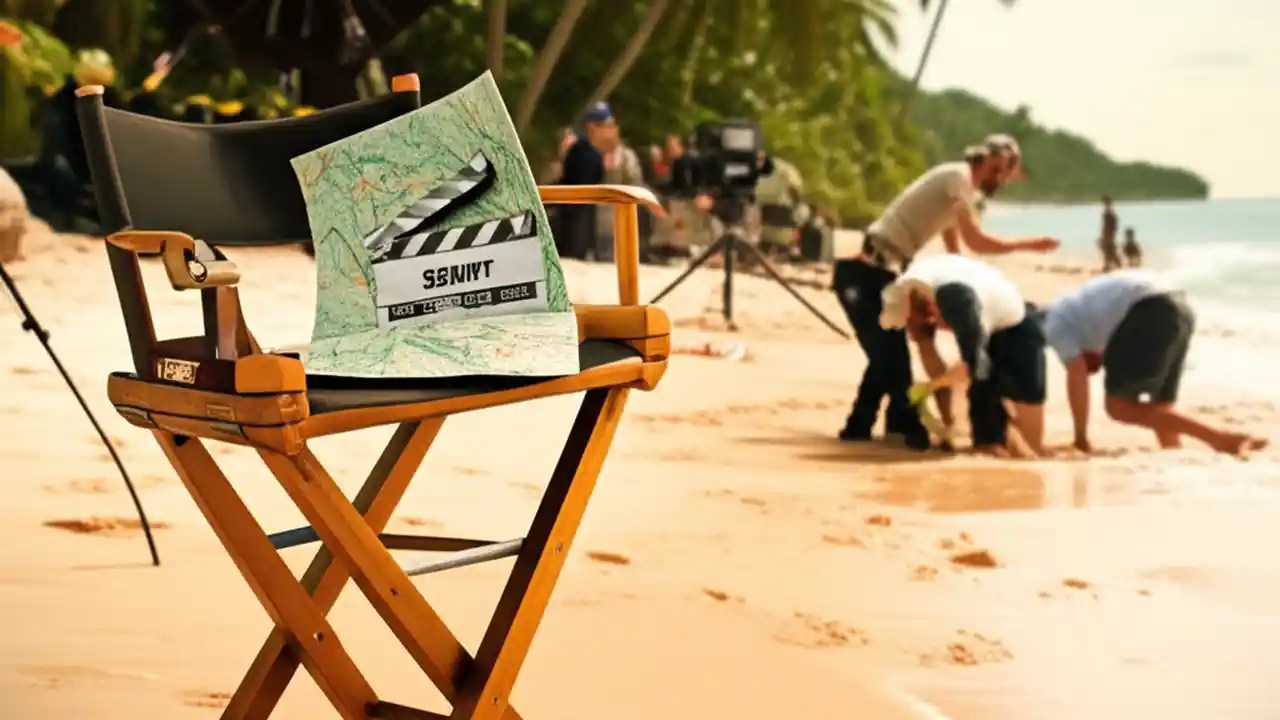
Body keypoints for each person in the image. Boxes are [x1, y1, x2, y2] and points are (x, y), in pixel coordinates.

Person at [831, 134, 1059, 449]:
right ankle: (900, 430)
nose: (1003, 179)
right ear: (992, 160)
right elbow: (976, 240)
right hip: (868, 272)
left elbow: (957, 253)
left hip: (884, 271)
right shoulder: (959, 178)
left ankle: (861, 428)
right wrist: (1030, 245)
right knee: (893, 361)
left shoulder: (956, 193)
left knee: (888, 357)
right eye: (1003, 170)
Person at [1042, 271, 1268, 456]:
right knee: (1160, 405)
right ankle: (1173, 451)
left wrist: (1080, 438)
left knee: (1118, 406)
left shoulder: (1054, 325)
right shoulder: (1075, 310)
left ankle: (1221, 438)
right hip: (1180, 306)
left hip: (1149, 308)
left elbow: (1077, 375)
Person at [880, 254, 1047, 457]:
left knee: (1024, 439)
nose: (910, 329)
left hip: (1016, 324)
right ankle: (996, 442)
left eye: (910, 321)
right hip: (985, 299)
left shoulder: (958, 300)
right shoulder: (910, 288)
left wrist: (937, 384)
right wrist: (947, 423)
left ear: (931, 309)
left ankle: (1000, 447)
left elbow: (975, 366)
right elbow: (930, 348)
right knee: (988, 404)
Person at [555, 102, 616, 259]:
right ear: (593, 127)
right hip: (575, 227)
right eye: (606, 126)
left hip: (579, 224)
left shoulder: (585, 151)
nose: (611, 131)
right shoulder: (585, 154)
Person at [1098, 195, 1122, 272]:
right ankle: (1109, 265)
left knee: (1109, 249)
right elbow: (1113, 225)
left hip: (1108, 234)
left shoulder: (1109, 213)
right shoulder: (1109, 213)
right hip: (1109, 234)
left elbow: (1109, 225)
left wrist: (1106, 234)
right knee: (1108, 250)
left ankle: (1113, 265)